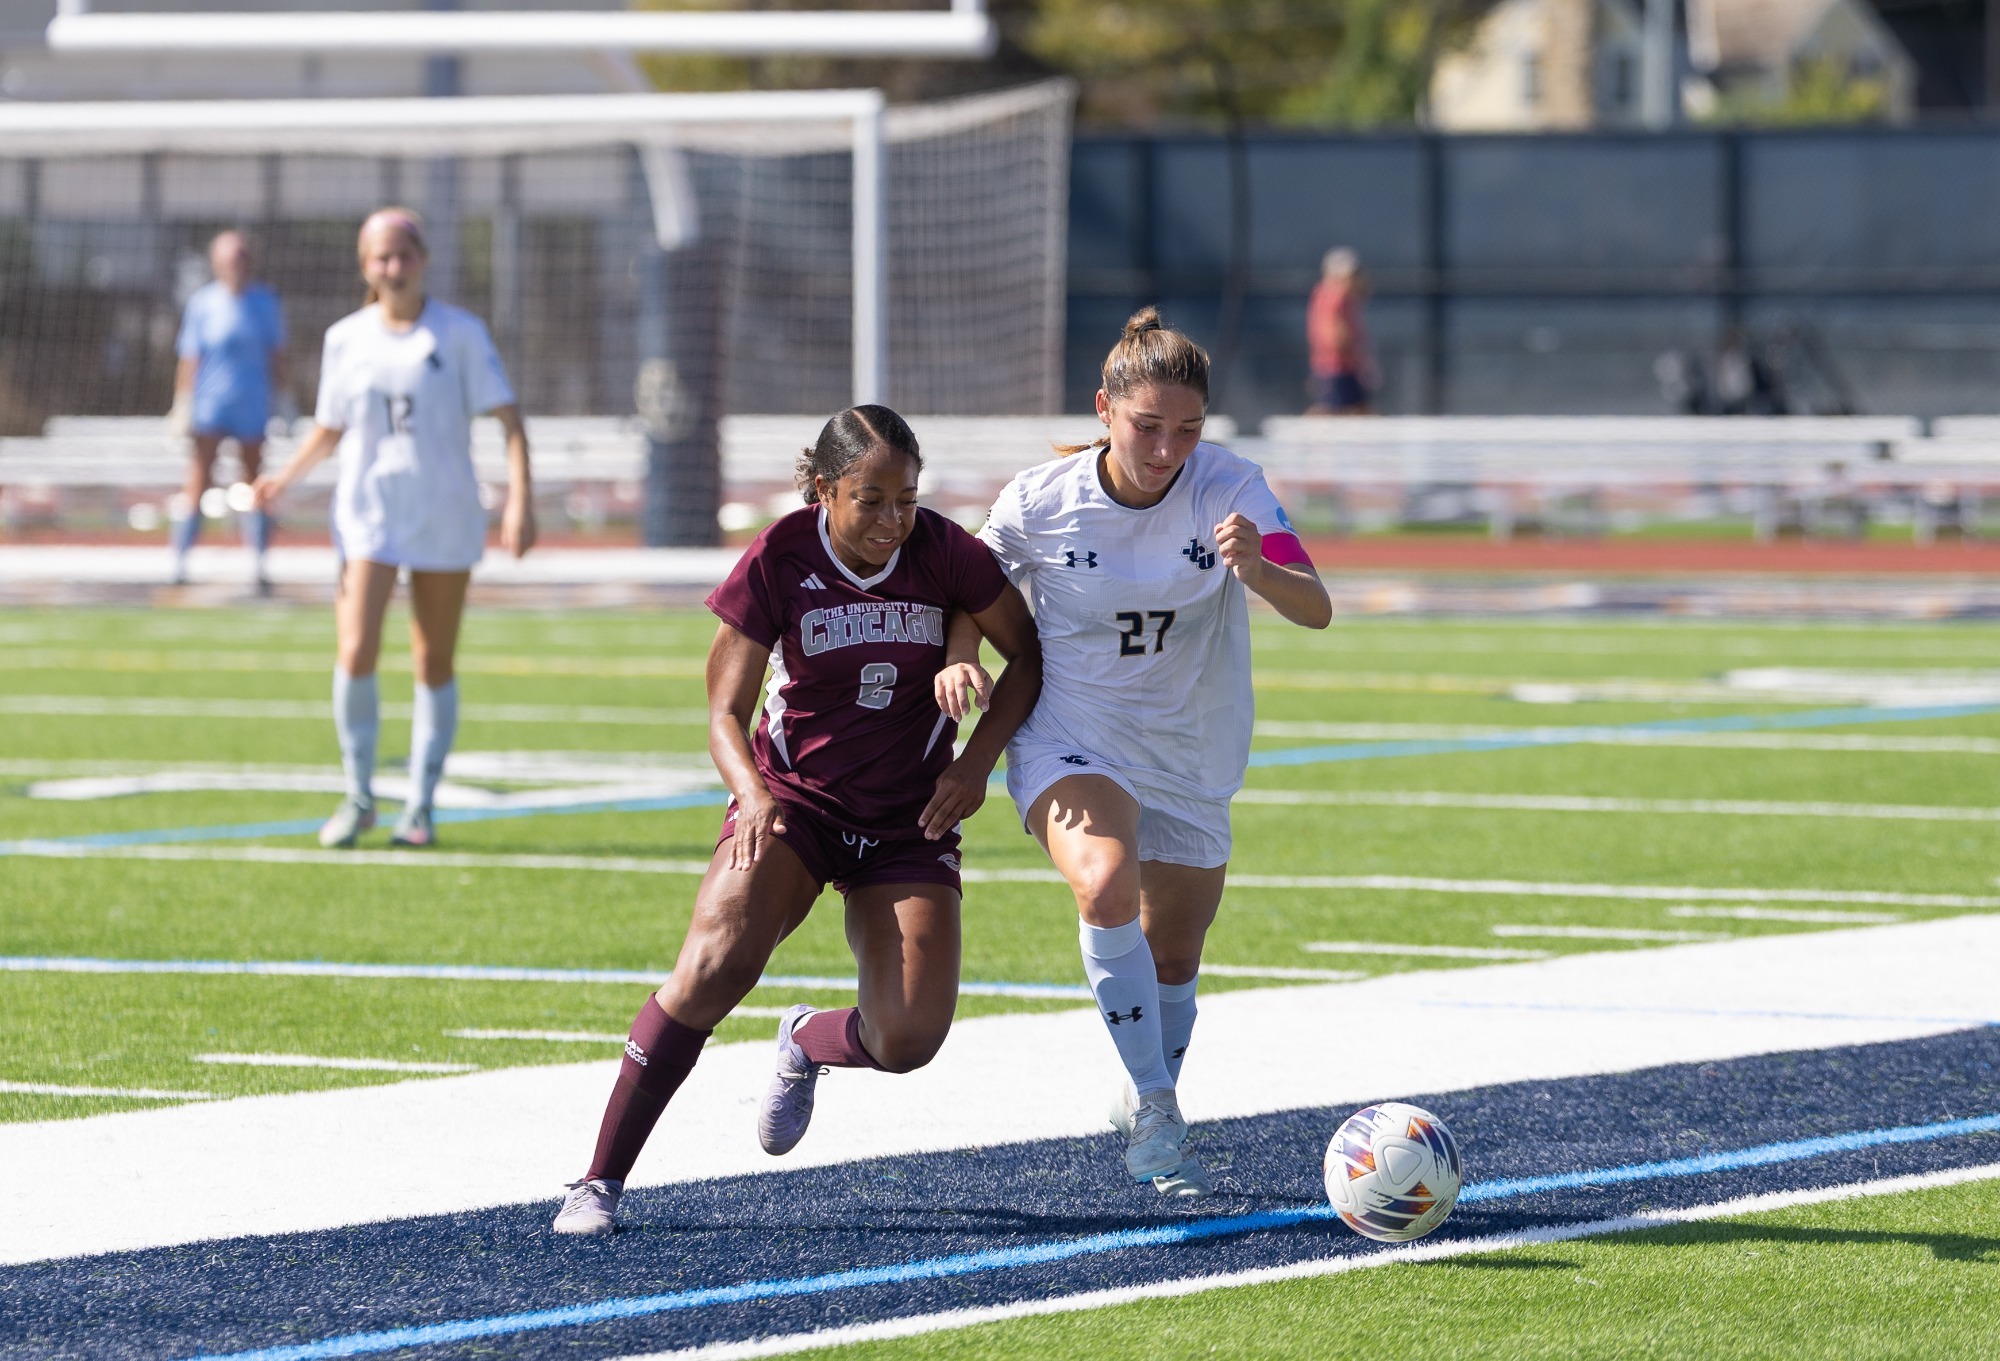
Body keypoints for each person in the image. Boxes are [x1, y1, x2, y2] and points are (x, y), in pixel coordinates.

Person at [550, 405, 1041, 1237]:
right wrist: (754, 792)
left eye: (907, 499)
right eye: (870, 499)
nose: (892, 520)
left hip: (907, 815)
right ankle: (597, 1180)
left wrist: (973, 763)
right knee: (711, 964)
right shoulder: (779, 553)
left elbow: (1026, 655)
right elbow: (723, 711)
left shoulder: (944, 549)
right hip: (797, 803)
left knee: (909, 1035)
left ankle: (808, 1040)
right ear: (822, 488)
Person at [969, 308, 1331, 1198]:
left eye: (1187, 429)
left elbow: (1317, 603)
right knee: (1104, 882)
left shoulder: (1233, 485)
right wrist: (951, 658)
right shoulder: (1036, 501)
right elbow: (965, 588)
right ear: (1103, 409)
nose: (1168, 448)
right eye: (1147, 426)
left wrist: (1262, 570)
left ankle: (1149, 1091)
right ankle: (1161, 1107)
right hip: (1072, 734)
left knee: (1174, 956)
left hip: (1191, 748)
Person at [252, 207, 534, 850]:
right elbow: (331, 425)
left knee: (432, 660)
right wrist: (284, 478)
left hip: (443, 513)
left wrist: (521, 501)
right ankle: (358, 796)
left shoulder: (458, 333)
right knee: (355, 652)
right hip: (368, 515)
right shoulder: (346, 338)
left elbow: (510, 420)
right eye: (381, 258)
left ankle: (420, 807)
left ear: (423, 259)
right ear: (365, 267)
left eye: (403, 255)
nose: (393, 267)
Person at [170, 230, 287, 588]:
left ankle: (259, 563)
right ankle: (180, 563)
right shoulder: (203, 304)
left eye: (242, 257)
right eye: (230, 258)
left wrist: (286, 399)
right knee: (198, 481)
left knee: (255, 483)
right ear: (216, 263)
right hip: (211, 406)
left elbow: (277, 354)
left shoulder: (265, 302)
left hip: (252, 404)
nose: (237, 265)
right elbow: (190, 357)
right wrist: (182, 404)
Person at [1305, 247, 1377, 416]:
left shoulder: (1341, 296)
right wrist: (1356, 354)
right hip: (1335, 366)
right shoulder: (1333, 296)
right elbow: (1334, 335)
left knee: (1358, 410)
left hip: (1341, 365)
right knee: (1330, 411)